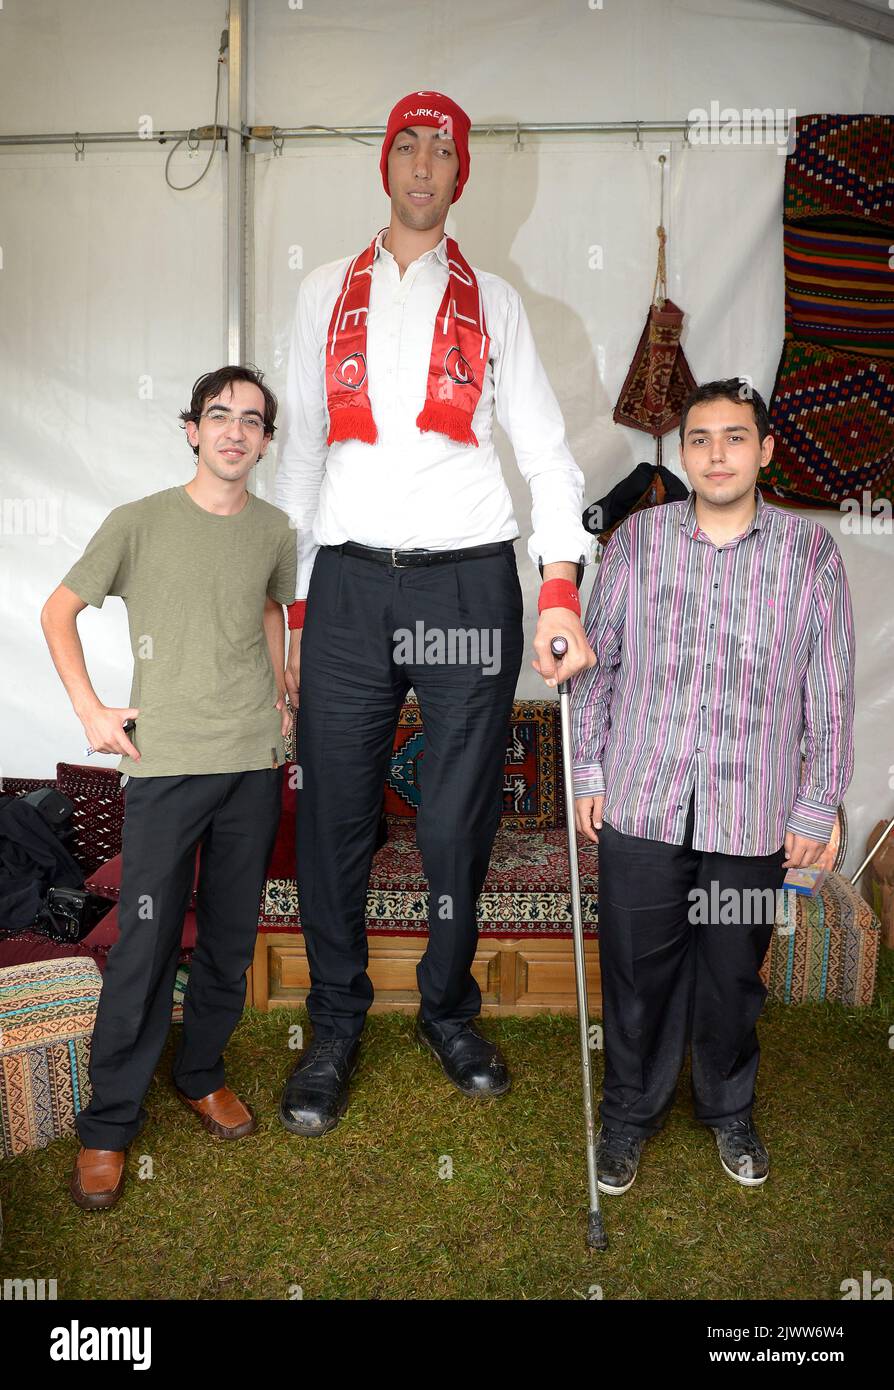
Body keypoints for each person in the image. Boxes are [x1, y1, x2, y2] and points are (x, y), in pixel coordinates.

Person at [274, 90, 596, 1135]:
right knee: (334, 808)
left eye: (441, 150)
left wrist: (558, 584)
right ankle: (334, 1020)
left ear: (461, 173)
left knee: (458, 815)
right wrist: (293, 606)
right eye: (407, 145)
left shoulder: (495, 302)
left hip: (468, 581)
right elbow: (301, 455)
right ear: (386, 164)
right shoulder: (324, 291)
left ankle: (448, 1008)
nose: (423, 164)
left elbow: (546, 453)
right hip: (350, 582)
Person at [571, 379, 855, 1193]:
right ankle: (629, 1113)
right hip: (643, 798)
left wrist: (817, 802)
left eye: (735, 437)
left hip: (753, 809)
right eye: (700, 439)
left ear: (766, 450)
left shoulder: (809, 555)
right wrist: (588, 768)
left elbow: (830, 689)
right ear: (684, 452)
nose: (717, 453)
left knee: (733, 972)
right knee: (637, 971)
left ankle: (728, 1107)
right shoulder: (637, 543)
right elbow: (598, 662)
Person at [41, 366, 296, 1210]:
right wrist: (90, 708)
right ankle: (109, 1123)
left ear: (265, 440)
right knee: (145, 945)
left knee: (228, 937)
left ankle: (201, 1074)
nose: (235, 430)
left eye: (251, 420)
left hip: (252, 764)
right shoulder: (139, 522)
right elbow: (57, 610)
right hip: (166, 766)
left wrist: (283, 692)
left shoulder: (275, 529)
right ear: (193, 429)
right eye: (219, 415)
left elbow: (269, 609)